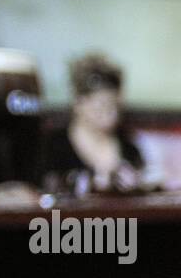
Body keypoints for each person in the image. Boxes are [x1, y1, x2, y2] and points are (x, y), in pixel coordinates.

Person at [45, 53, 145, 192]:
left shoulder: (130, 148)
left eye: (114, 104)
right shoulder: (53, 148)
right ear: (78, 102)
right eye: (100, 104)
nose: (110, 112)